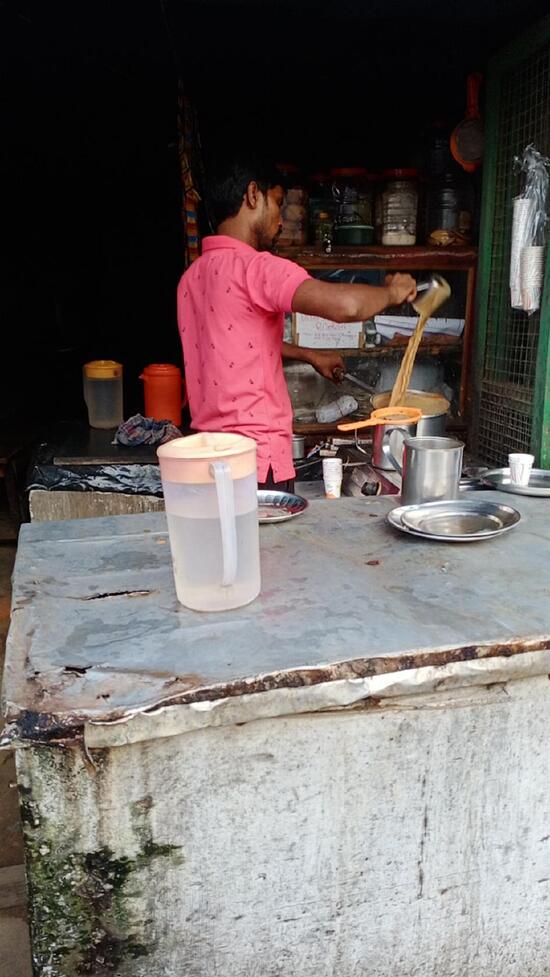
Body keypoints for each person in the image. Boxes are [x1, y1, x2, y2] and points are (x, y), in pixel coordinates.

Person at [177, 155, 417, 491]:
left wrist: (309, 355)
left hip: (206, 462)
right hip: (257, 464)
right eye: (276, 203)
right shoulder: (257, 268)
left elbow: (239, 344)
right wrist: (392, 292)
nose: (279, 220)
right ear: (252, 195)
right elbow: (346, 306)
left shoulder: (192, 279)